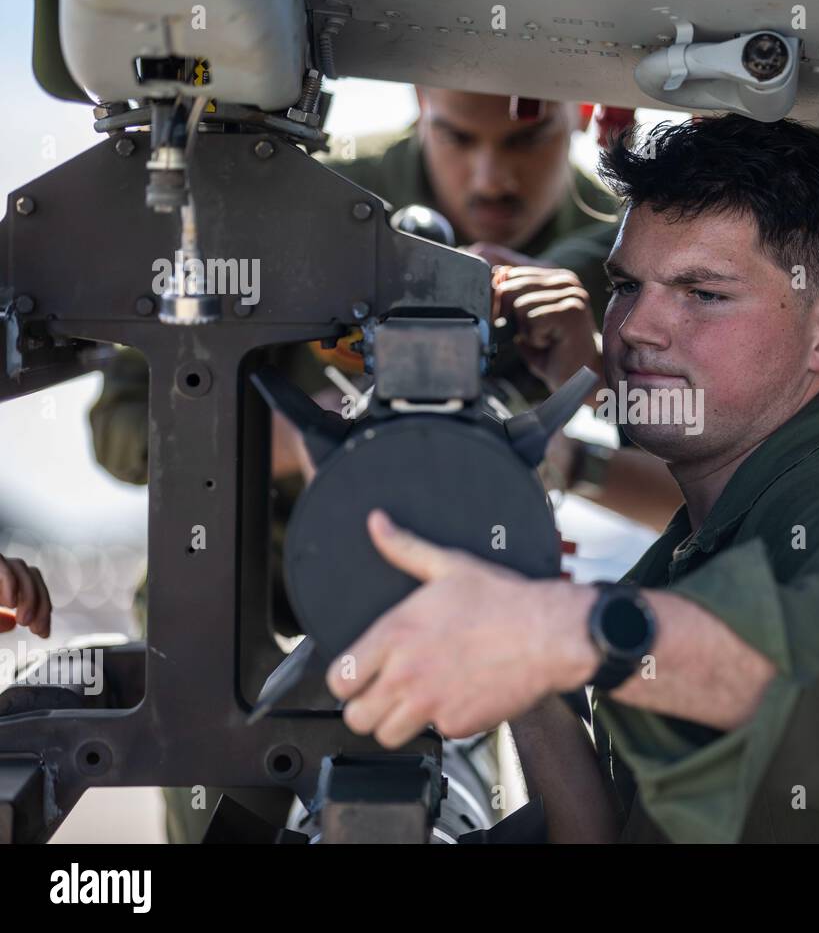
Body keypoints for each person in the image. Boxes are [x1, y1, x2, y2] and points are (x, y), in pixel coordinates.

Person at [326, 114, 819, 843]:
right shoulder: (702, 548)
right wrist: (521, 627)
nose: (634, 330)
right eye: (627, 285)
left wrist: (559, 633)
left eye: (704, 294)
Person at [82, 87, 622, 843]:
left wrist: (591, 375)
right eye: (458, 136)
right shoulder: (300, 201)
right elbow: (122, 428)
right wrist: (320, 445)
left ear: (582, 116)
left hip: (476, 615)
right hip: (254, 610)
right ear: (420, 101)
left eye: (528, 143)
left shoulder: (615, 239)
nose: (490, 177)